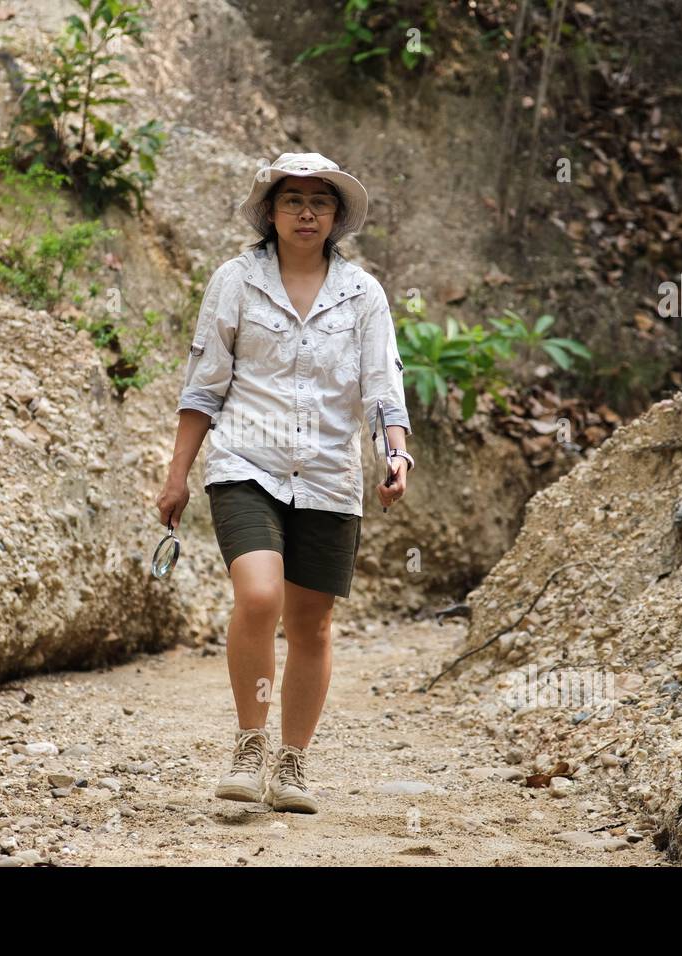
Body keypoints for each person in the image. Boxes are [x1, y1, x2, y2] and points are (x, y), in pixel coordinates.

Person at [155, 152, 415, 813]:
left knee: (313, 624)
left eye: (318, 202)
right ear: (269, 213)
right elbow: (205, 382)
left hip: (328, 473)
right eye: (292, 200)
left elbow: (383, 383)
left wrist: (396, 454)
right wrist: (176, 473)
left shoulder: (363, 294)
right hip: (246, 461)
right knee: (261, 594)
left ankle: (292, 763)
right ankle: (250, 743)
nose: (305, 211)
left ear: (335, 218)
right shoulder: (235, 281)